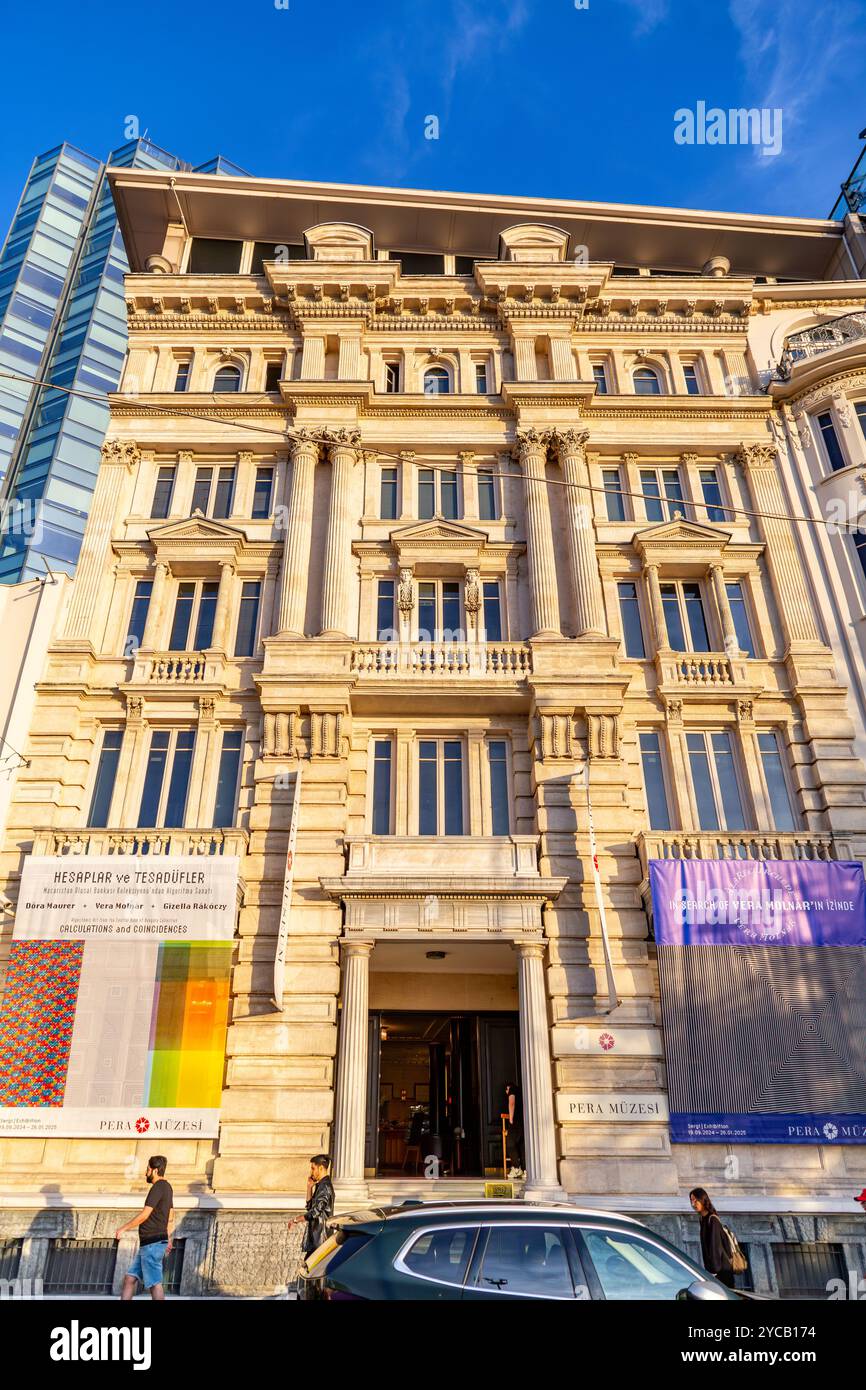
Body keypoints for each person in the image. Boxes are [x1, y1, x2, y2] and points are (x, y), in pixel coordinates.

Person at [115, 1156, 174, 1301]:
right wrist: (169, 1238)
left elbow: (144, 1215)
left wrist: (123, 1228)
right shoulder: (167, 1187)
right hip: (150, 1243)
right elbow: (171, 1215)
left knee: (154, 1284)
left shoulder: (158, 1187)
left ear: (154, 1170)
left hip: (152, 1244)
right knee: (130, 1278)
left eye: (147, 1169)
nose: (145, 1173)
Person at [689, 1187, 735, 1288]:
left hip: (721, 1271)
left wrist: (713, 1271)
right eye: (691, 1201)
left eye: (695, 1200)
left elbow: (715, 1247)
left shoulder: (712, 1220)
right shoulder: (703, 1219)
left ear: (703, 1199)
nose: (693, 1204)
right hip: (715, 1271)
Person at [295, 1154, 335, 1257]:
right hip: (316, 1237)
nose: (311, 1172)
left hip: (321, 1239)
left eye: (313, 1168)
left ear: (321, 1168)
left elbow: (316, 1211)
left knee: (310, 1269)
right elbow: (310, 1207)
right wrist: (309, 1187)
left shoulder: (325, 1187)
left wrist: (299, 1219)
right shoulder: (321, 1185)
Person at [504, 1081, 525, 1179]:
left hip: (516, 1121)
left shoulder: (512, 1089)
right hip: (524, 1121)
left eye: (506, 1090)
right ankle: (526, 1170)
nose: (506, 1092)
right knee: (522, 1145)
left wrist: (511, 1118)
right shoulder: (522, 1091)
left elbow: (511, 1103)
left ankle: (516, 1168)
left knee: (510, 1143)